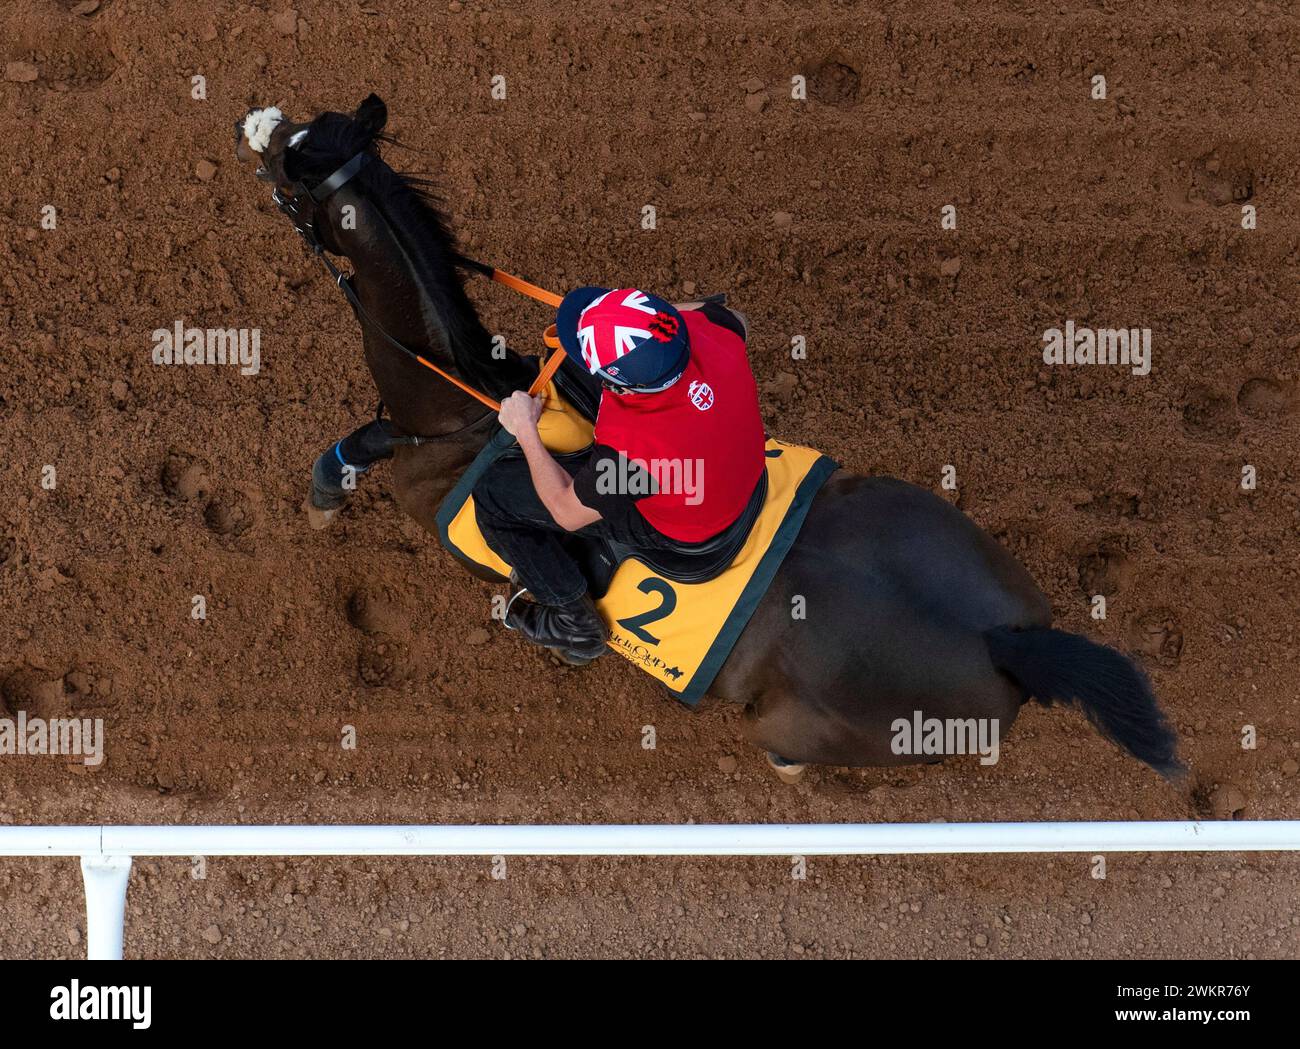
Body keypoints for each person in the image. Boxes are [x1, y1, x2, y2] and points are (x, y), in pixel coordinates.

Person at [473, 287, 766, 664]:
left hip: (690, 523)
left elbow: (566, 511)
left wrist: (525, 427)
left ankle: (575, 626)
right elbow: (736, 317)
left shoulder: (634, 452)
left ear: (622, 387)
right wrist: (647, 331)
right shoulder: (712, 330)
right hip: (736, 468)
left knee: (493, 494)